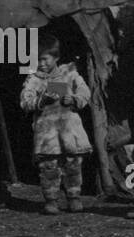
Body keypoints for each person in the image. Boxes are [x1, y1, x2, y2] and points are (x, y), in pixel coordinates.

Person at [21, 35, 92, 214]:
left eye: (44, 59)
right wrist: (41, 100)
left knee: (73, 164)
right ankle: (51, 200)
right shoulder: (33, 79)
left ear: (56, 58)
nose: (41, 63)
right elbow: (25, 101)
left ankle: (74, 197)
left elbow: (85, 91)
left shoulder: (70, 74)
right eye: (36, 59)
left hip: (70, 130)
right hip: (47, 134)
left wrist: (75, 99)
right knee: (48, 167)